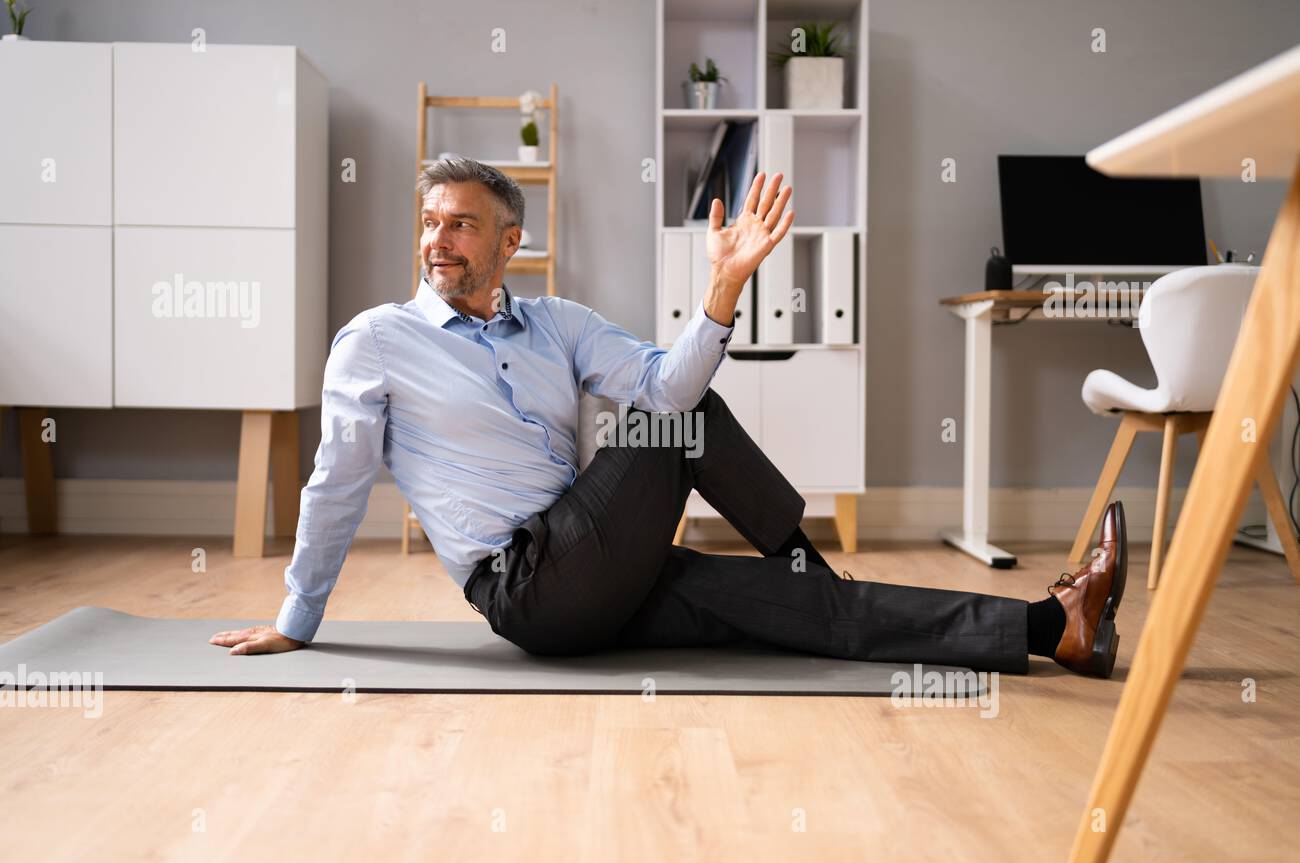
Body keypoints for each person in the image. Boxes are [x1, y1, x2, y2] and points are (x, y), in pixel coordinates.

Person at [210, 157, 1128, 678]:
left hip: (599, 564)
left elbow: (670, 385)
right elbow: (336, 478)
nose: (437, 240)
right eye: (430, 222)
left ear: (507, 242)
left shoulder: (557, 323)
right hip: (527, 587)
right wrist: (300, 615)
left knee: (806, 610)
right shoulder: (375, 342)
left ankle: (1053, 631)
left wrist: (723, 291)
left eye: (460, 224)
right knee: (678, 426)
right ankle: (805, 561)